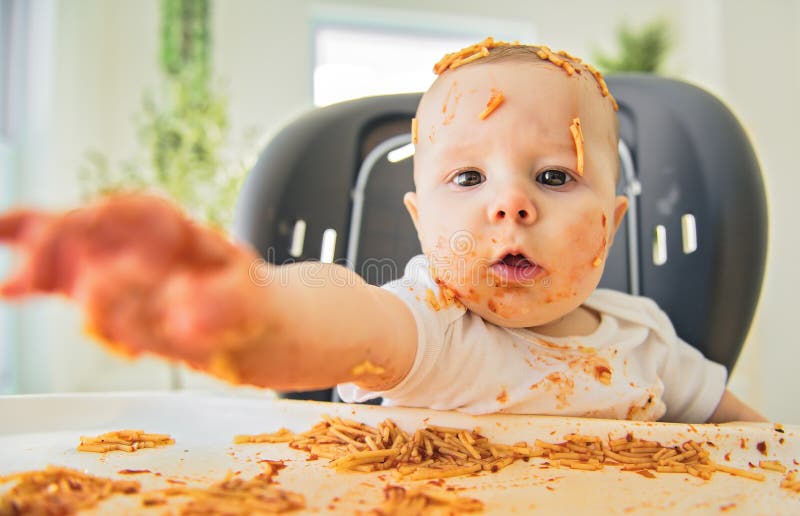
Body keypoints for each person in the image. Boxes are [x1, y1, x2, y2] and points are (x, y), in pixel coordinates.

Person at [0, 38, 764, 423]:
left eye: (554, 177)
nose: (512, 205)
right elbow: (340, 314)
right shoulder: (430, 326)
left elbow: (753, 439)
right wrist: (244, 304)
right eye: (468, 180)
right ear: (421, 222)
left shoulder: (644, 341)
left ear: (614, 219)